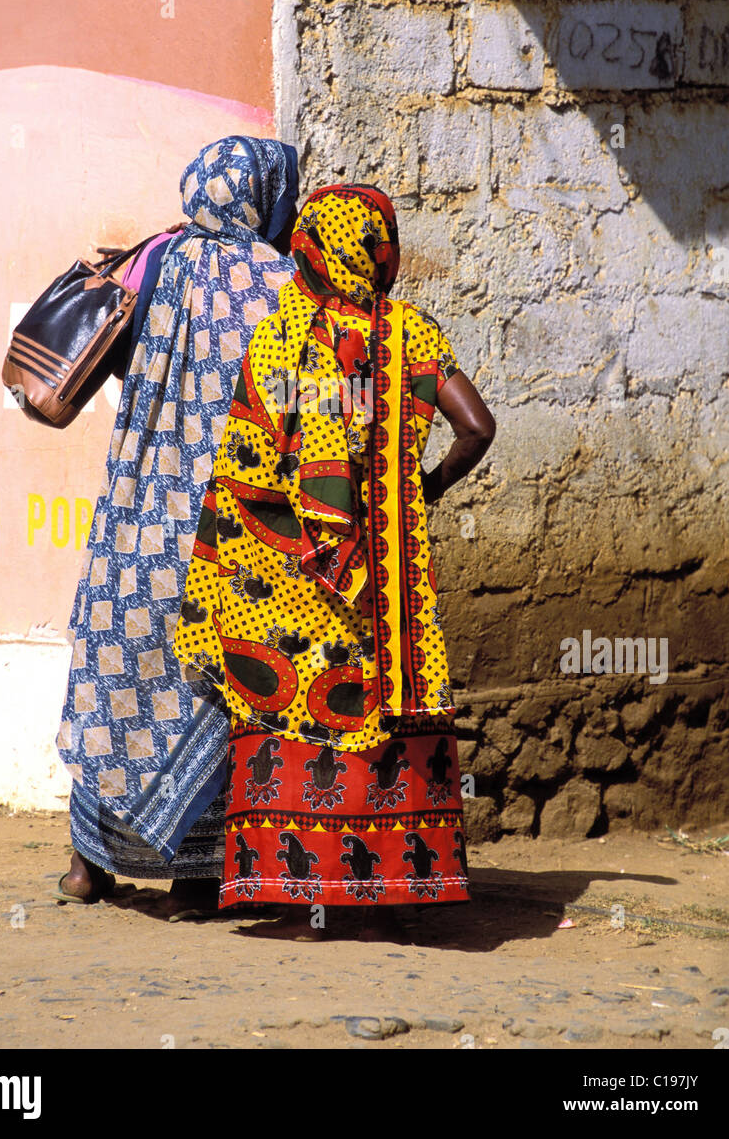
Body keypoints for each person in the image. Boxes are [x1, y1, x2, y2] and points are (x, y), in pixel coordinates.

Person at [173, 183, 495, 938]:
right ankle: (395, 893)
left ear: (311, 248)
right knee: (385, 710)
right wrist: (418, 493)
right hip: (388, 581)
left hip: (289, 582)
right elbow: (478, 427)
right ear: (381, 251)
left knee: (296, 712)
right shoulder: (411, 334)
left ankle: (306, 898)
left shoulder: (281, 335)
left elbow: (246, 469)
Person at [54, 136, 298, 906]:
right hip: (221, 519)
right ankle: (198, 876)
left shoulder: (154, 260)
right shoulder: (284, 282)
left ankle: (84, 867)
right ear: (263, 196)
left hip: (138, 508)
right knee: (203, 683)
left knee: (115, 670)